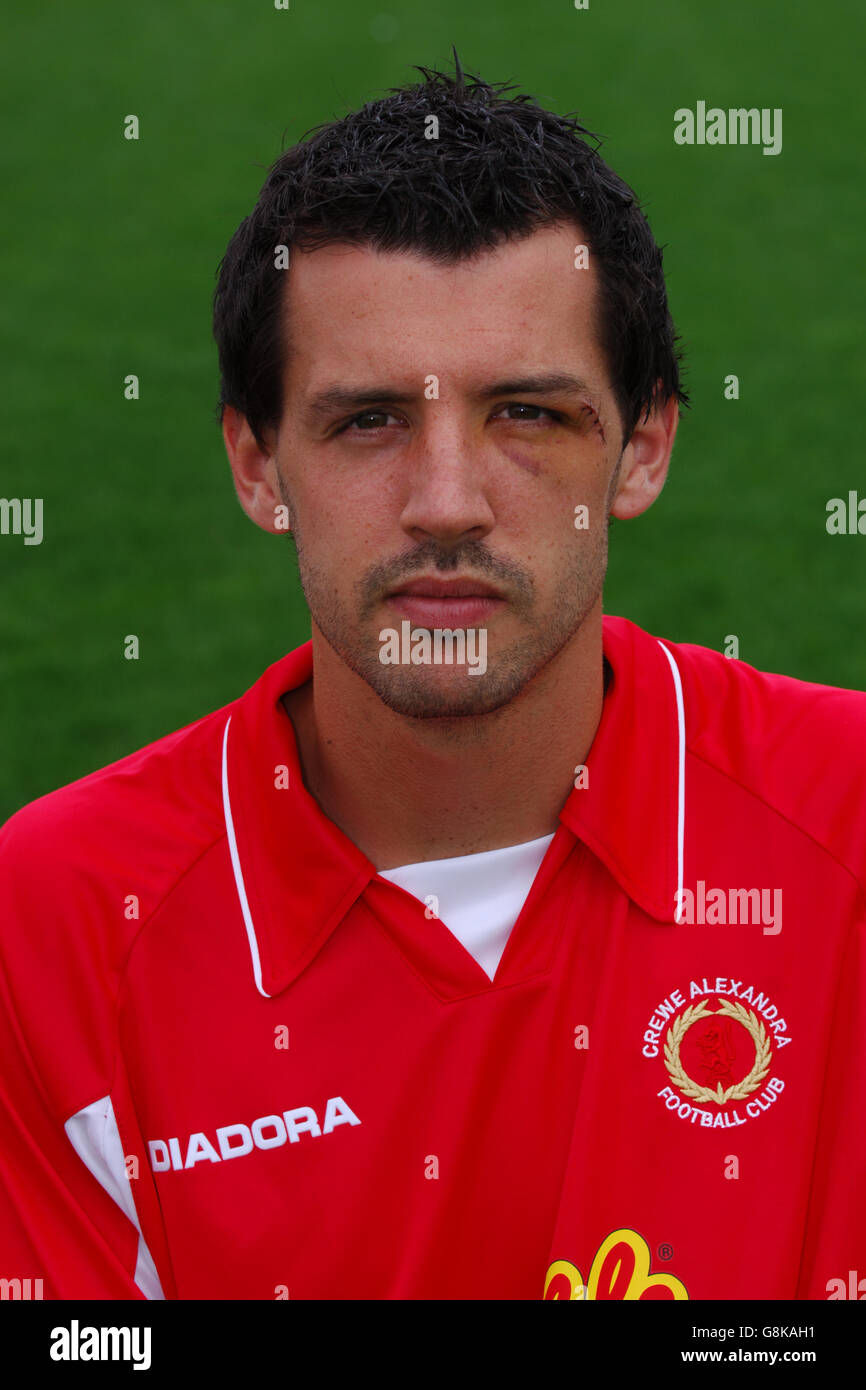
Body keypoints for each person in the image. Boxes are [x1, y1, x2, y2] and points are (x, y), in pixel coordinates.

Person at [0, 60, 863, 1302]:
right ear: (255, 465)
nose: (445, 503)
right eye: (366, 422)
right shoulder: (65, 915)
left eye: (524, 414)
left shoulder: (846, 823)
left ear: (643, 446)